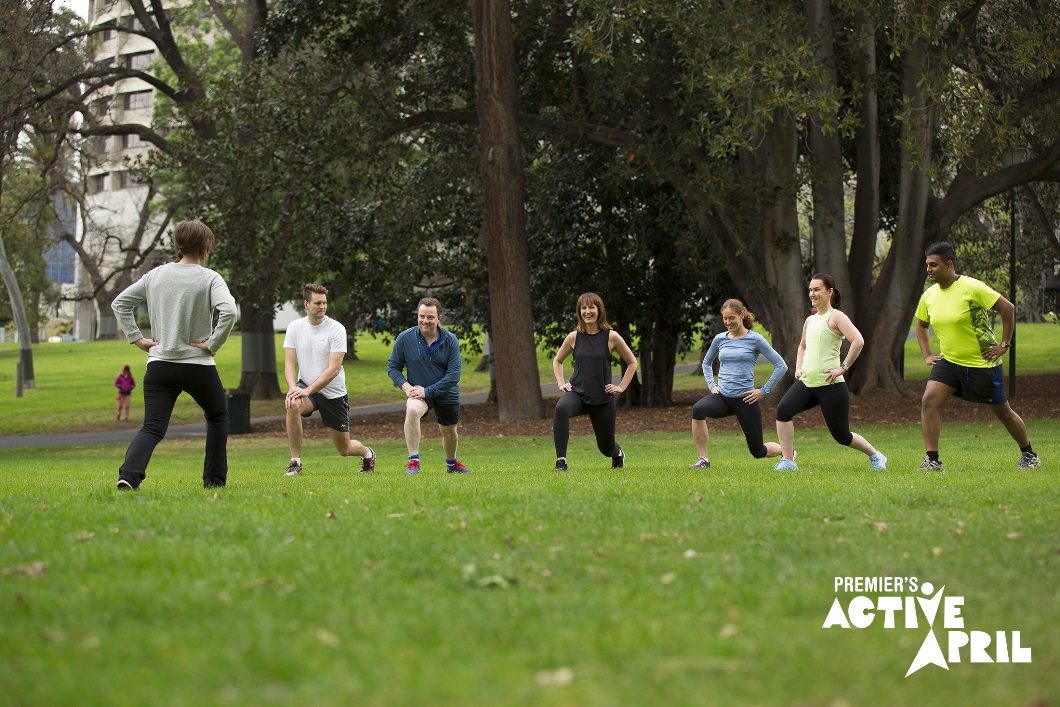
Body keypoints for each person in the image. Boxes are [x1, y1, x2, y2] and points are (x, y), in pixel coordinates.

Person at [112, 220, 237, 490]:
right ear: (205, 246)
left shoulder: (155, 275)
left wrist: (138, 339)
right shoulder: (210, 278)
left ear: (177, 245)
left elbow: (120, 303)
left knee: (152, 426)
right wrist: (213, 343)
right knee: (217, 417)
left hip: (159, 366)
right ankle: (214, 482)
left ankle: (129, 476)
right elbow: (229, 311)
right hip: (197, 365)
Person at [915, 241, 1040, 471]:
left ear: (949, 265)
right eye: (927, 265)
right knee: (929, 400)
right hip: (949, 362)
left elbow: (1008, 308)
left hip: (983, 363)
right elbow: (921, 325)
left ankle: (1029, 454)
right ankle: (932, 460)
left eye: (933, 265)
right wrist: (927, 354)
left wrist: (1004, 344)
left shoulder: (972, 287)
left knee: (1003, 412)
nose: (929, 269)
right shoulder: (929, 295)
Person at [773, 273, 887, 471]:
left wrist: (843, 368)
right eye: (810, 290)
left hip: (830, 385)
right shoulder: (810, 320)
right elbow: (802, 346)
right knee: (783, 411)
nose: (812, 293)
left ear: (830, 292)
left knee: (842, 435)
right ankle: (788, 461)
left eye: (817, 289)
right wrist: (799, 368)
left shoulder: (836, 317)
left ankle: (876, 455)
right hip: (807, 383)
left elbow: (858, 341)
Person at [283, 284, 376, 477]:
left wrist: (308, 390)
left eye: (324, 303)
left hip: (333, 393)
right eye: (317, 303)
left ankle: (367, 453)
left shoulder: (336, 329)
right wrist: (293, 388)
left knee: (345, 449)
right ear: (306, 304)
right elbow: (289, 363)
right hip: (306, 387)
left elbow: (334, 369)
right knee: (292, 404)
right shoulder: (294, 327)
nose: (322, 306)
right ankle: (295, 463)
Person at [691, 299, 787, 468]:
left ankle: (787, 451)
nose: (728, 322)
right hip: (722, 397)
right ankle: (703, 460)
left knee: (758, 451)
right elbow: (706, 363)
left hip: (745, 400)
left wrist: (763, 391)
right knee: (698, 409)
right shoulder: (720, 339)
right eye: (725, 318)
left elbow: (781, 365)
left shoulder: (755, 339)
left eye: (731, 318)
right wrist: (712, 385)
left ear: (742, 315)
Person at [552, 292, 638, 471]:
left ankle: (618, 453)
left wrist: (621, 387)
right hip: (578, 393)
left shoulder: (611, 336)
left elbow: (632, 363)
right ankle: (561, 462)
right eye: (583, 308)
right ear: (579, 312)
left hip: (602, 397)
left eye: (591, 307)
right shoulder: (574, 337)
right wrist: (561, 383)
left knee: (605, 448)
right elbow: (557, 361)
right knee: (561, 408)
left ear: (599, 310)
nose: (587, 311)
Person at [387, 297, 471, 474]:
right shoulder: (405, 338)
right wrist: (407, 387)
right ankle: (413, 462)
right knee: (412, 410)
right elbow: (393, 367)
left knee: (450, 432)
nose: (425, 321)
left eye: (430, 317)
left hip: (446, 392)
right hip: (418, 393)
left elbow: (454, 375)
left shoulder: (450, 340)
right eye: (421, 316)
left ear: (439, 318)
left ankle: (451, 464)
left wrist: (428, 391)